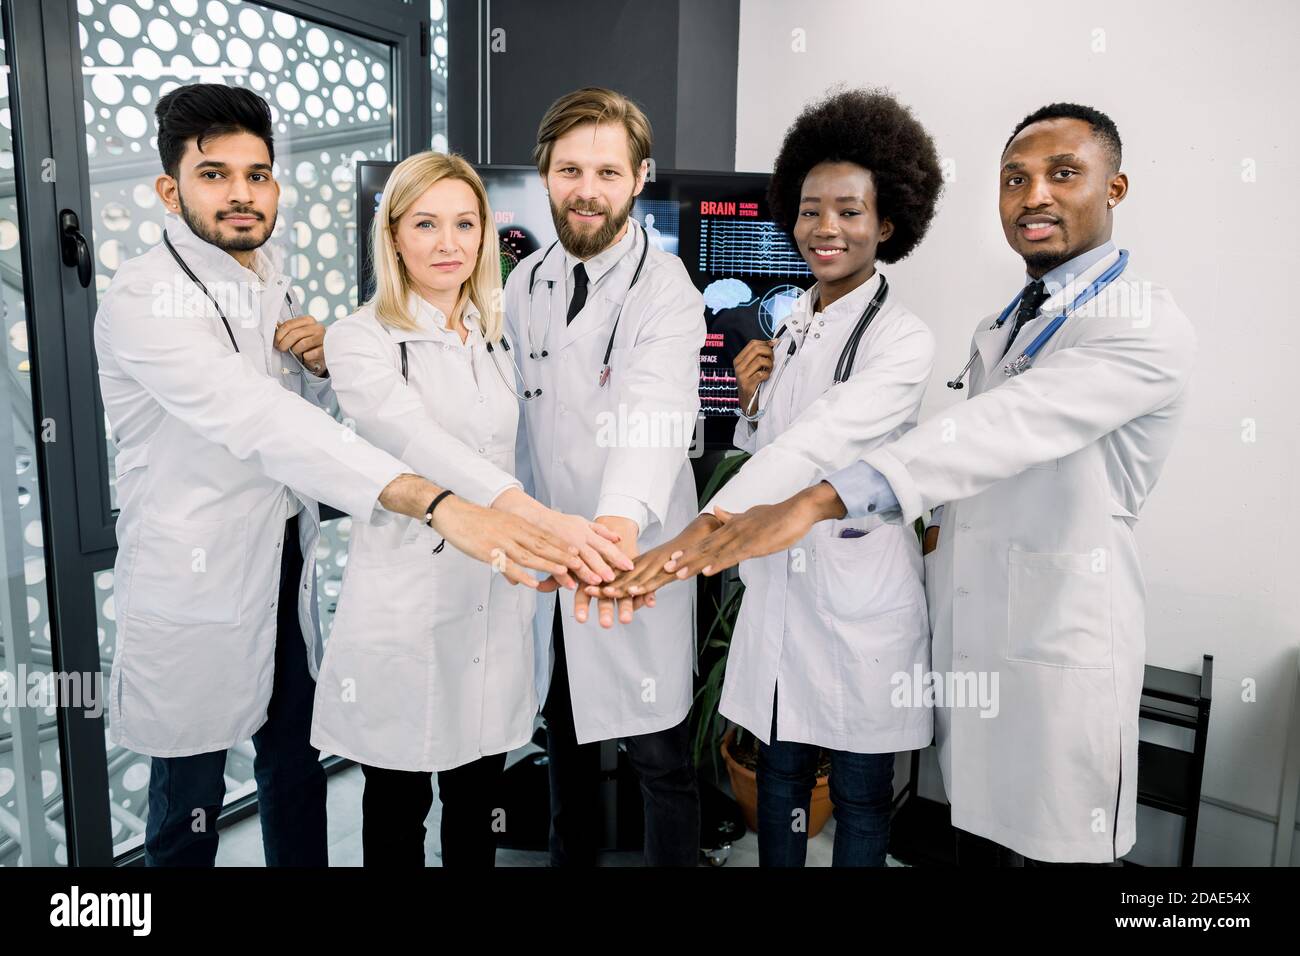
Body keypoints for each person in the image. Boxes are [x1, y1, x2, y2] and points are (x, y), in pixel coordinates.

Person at [609, 103, 1196, 866]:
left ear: (1114, 189)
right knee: (928, 822)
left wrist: (784, 508)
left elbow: (996, 429)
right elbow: (810, 443)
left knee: (1019, 837)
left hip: (1043, 627)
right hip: (960, 619)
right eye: (1015, 178)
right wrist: (754, 409)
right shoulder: (999, 325)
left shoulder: (1141, 321)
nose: (1034, 195)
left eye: (1062, 175)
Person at [95, 84, 589, 867]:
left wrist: (320, 369)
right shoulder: (144, 298)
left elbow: (312, 413)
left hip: (281, 559)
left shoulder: (274, 281)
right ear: (170, 189)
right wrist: (439, 502)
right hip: (197, 570)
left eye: (257, 175)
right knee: (188, 792)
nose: (242, 194)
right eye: (214, 175)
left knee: (292, 765)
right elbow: (255, 416)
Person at [597, 89, 943, 866]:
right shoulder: (793, 322)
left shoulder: (903, 339)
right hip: (782, 591)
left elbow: (822, 442)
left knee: (857, 791)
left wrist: (700, 532)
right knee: (780, 775)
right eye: (811, 209)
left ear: (887, 224)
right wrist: (754, 404)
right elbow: (774, 440)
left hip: (858, 601)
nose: (827, 229)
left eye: (850, 212)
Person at [310, 151, 633, 867]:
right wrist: (535, 517)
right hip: (405, 600)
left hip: (490, 595)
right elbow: (414, 441)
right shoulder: (360, 338)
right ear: (393, 234)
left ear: (486, 233)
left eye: (464, 223)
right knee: (396, 808)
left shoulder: (493, 336)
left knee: (475, 801)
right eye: (426, 224)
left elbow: (514, 446)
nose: (448, 243)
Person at [502, 87, 706, 866]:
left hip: (633, 554)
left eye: (607, 172)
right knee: (567, 751)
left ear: (639, 178)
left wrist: (616, 527)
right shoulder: (524, 283)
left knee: (660, 760)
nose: (587, 190)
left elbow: (656, 415)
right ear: (547, 176)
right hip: (552, 553)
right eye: (570, 170)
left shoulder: (667, 289)